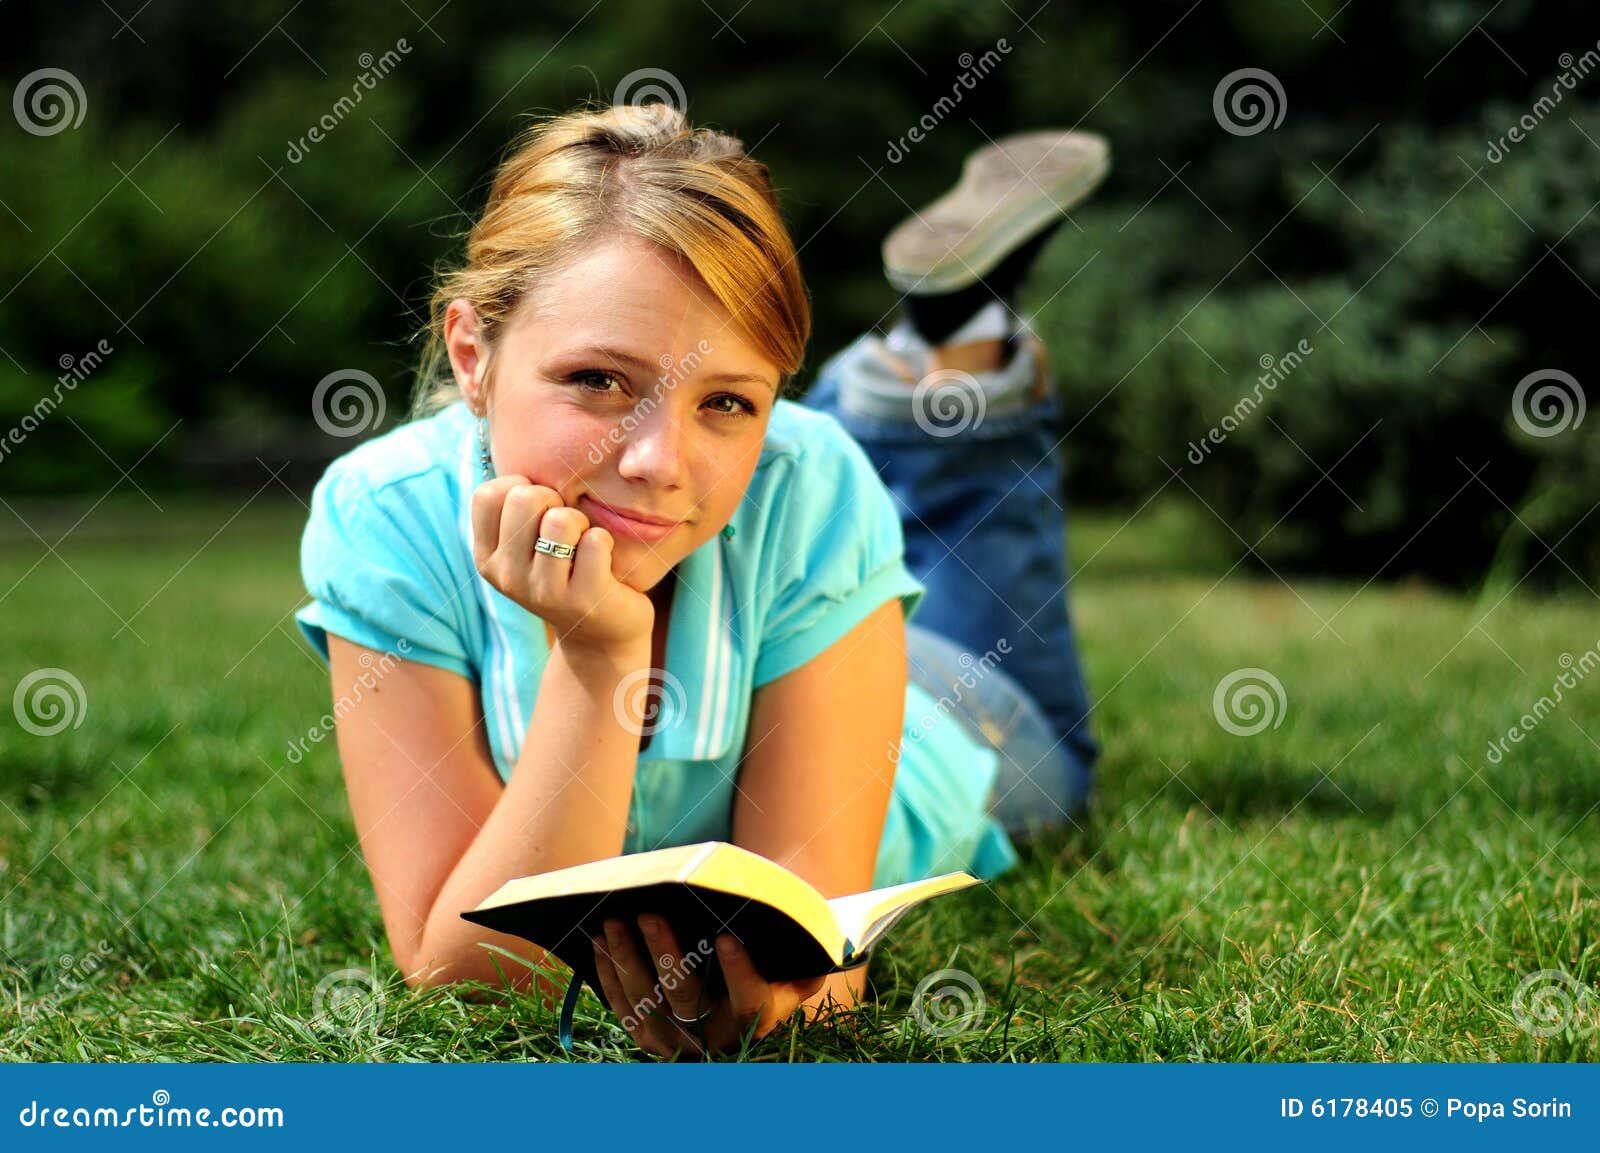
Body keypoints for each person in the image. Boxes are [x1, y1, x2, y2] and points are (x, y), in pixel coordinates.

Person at [293, 102, 1106, 1060]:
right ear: (472, 356)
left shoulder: (812, 489)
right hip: (808, 596)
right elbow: (461, 969)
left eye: (727, 401)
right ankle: (886, 374)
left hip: (955, 707)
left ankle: (951, 336)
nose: (658, 462)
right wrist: (602, 658)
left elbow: (822, 962)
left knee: (1039, 719)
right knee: (800, 466)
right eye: (599, 380)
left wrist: (785, 1005)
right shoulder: (384, 515)